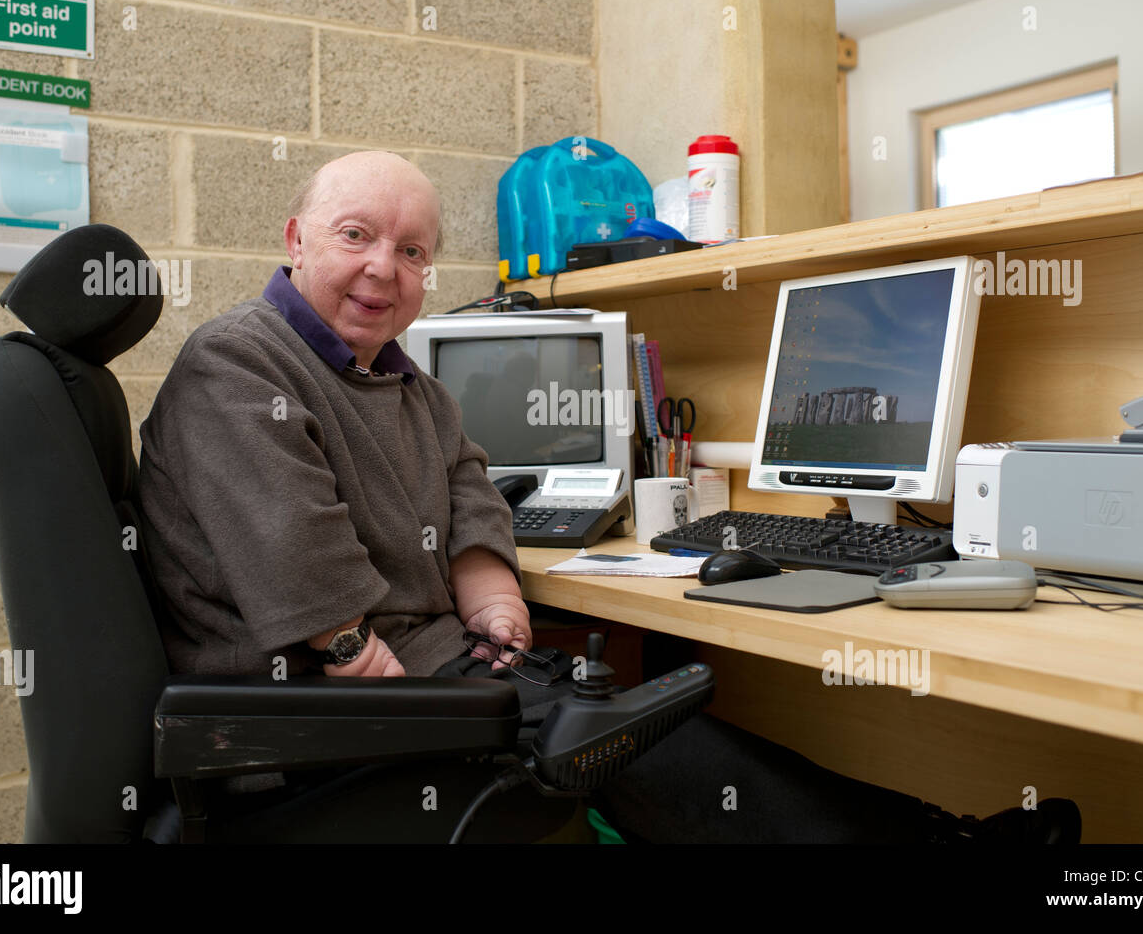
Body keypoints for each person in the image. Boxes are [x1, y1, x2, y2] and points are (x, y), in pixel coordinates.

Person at [137, 151, 1080, 843]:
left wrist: (497, 606)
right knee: (632, 737)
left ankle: (938, 832)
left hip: (434, 676)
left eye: (413, 250)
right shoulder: (238, 362)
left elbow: (469, 488)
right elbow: (317, 598)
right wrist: (439, 709)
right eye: (357, 237)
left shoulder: (402, 382)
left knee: (656, 717)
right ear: (296, 241)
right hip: (315, 721)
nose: (385, 267)